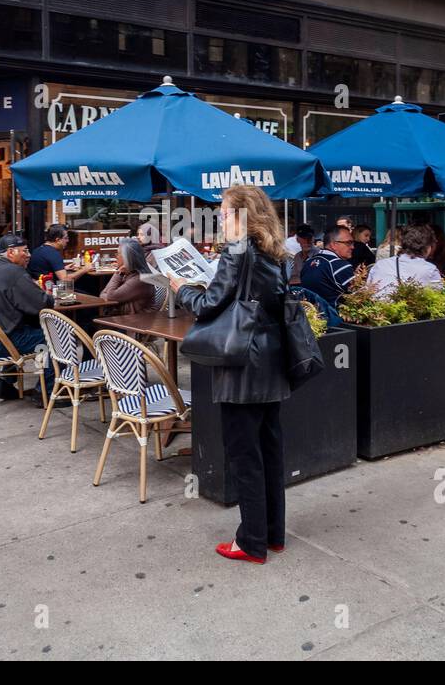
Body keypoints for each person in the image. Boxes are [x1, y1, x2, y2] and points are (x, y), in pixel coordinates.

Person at [170, 184, 289, 565]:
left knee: (244, 455)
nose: (219, 218)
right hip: (272, 359)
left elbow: (207, 305)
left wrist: (181, 288)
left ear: (241, 215)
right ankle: (273, 535)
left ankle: (251, 542)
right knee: (269, 450)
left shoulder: (236, 252)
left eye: (223, 212)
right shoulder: (275, 253)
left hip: (242, 364)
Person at [0, 233, 57, 408]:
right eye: (24, 251)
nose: (29, 254)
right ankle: (46, 393)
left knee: (31, 327)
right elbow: (41, 304)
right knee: (53, 339)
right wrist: (49, 295)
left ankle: (5, 384)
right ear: (11, 253)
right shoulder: (14, 272)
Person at [367, 224, 443, 297]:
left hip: (380, 309)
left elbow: (367, 292)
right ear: (428, 247)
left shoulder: (380, 265)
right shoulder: (430, 269)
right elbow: (438, 298)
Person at [300, 224, 356, 307]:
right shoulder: (339, 265)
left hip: (310, 316)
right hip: (335, 317)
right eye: (348, 243)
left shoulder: (308, 263)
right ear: (333, 245)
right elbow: (359, 297)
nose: (352, 247)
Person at [99, 237, 157, 314]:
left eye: (118, 254)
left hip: (137, 322)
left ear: (127, 258)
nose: (115, 257)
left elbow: (110, 297)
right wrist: (120, 272)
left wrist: (118, 274)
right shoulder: (127, 273)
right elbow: (102, 294)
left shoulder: (140, 279)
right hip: (124, 318)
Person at [28, 224, 95, 285]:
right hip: (52, 291)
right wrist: (84, 269)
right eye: (66, 238)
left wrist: (64, 268)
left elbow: (43, 270)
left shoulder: (38, 250)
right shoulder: (53, 254)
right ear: (58, 240)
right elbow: (65, 280)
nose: (68, 241)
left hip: (39, 287)